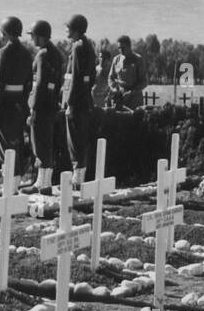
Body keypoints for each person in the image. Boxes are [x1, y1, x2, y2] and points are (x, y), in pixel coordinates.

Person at [23, 19, 63, 195]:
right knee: (46, 142)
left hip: (40, 105)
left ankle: (43, 184)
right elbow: (57, 82)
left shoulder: (42, 55)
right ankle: (43, 181)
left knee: (39, 143)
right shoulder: (56, 54)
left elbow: (39, 85)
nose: (32, 39)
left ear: (40, 36)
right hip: (51, 103)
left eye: (33, 36)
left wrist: (33, 108)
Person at [0, 16, 32, 175]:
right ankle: (16, 178)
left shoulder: (4, 52)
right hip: (20, 103)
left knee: (5, 144)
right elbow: (28, 82)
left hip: (5, 104)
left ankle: (9, 179)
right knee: (17, 142)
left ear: (6, 33)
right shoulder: (26, 53)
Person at [62, 13, 98, 189]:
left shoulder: (77, 47)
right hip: (84, 98)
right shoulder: (88, 45)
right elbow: (90, 77)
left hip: (76, 100)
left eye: (68, 27)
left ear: (75, 29)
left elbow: (76, 78)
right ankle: (80, 177)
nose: (66, 30)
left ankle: (77, 179)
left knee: (75, 140)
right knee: (81, 138)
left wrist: (69, 102)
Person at [106, 35, 147, 110]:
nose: (121, 50)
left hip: (135, 100)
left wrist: (132, 92)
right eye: (119, 48)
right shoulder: (116, 60)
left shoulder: (138, 59)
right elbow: (110, 78)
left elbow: (144, 81)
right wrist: (114, 89)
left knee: (135, 117)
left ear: (129, 46)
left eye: (123, 48)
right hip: (120, 99)